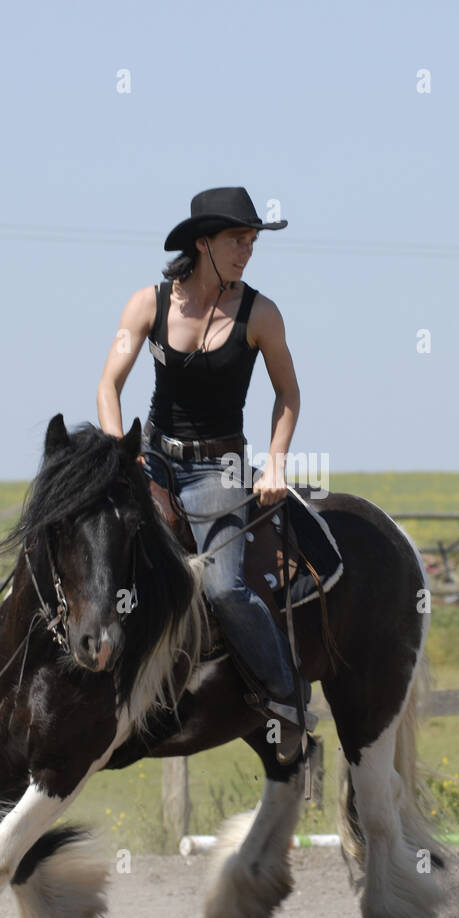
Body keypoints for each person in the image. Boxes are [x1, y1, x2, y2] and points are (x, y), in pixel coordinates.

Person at [97, 186, 316, 750]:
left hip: (219, 468)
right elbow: (108, 384)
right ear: (204, 244)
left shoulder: (261, 314)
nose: (248, 250)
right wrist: (122, 452)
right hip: (152, 458)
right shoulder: (147, 304)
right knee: (102, 554)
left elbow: (288, 394)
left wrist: (273, 467)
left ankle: (285, 695)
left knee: (223, 589)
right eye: (237, 240)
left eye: (251, 241)